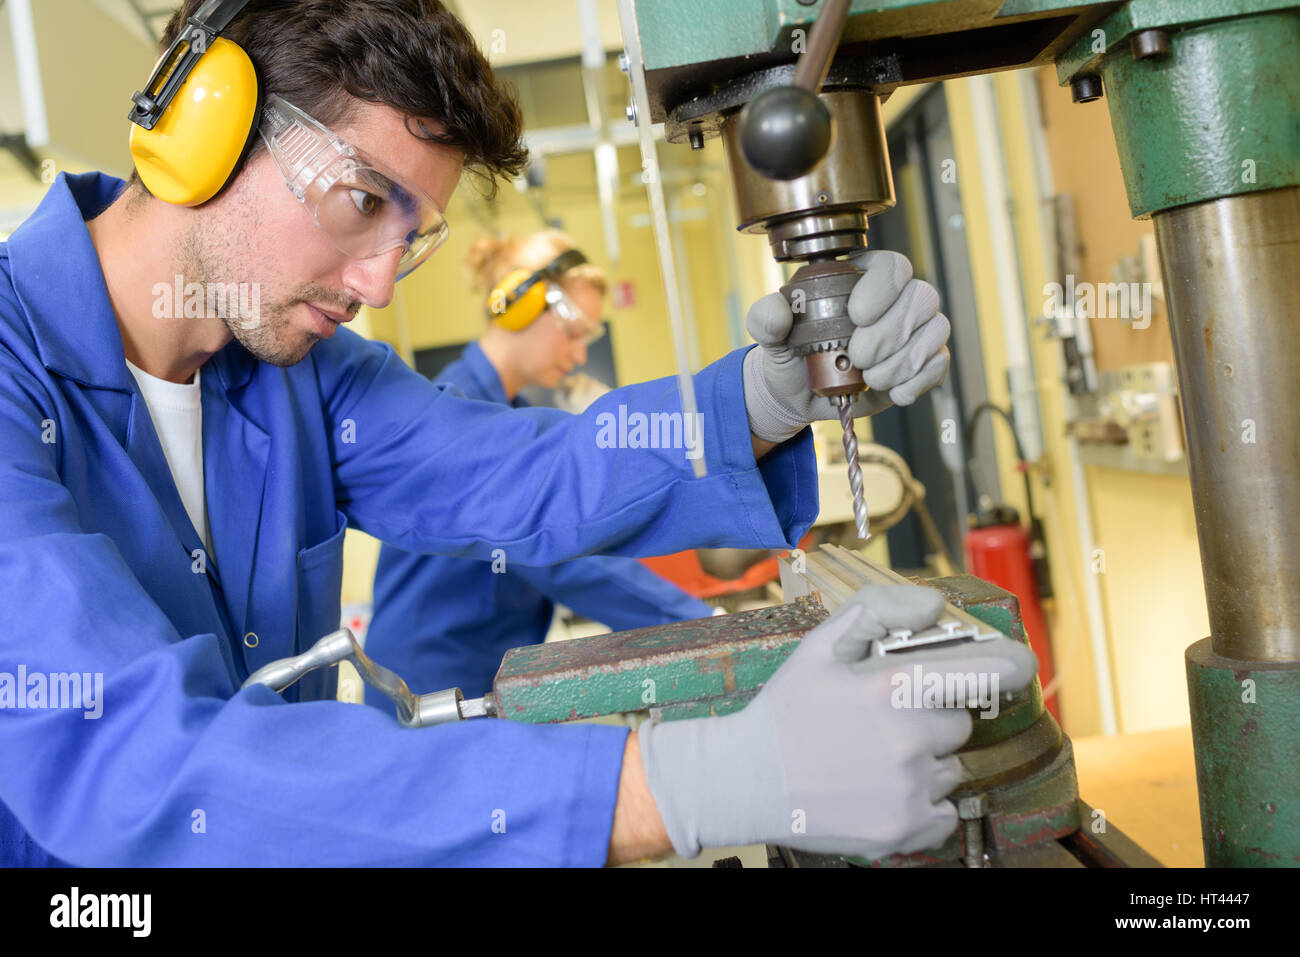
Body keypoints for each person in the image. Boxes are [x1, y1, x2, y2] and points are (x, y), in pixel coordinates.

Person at [0, 0, 1033, 867]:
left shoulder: (293, 374)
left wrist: (762, 401)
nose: (371, 286)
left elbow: (530, 474)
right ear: (202, 124)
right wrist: (690, 785)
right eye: (360, 201)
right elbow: (128, 759)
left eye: (406, 240)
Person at [363, 230, 715, 704]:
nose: (580, 354)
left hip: (472, 676)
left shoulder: (509, 410)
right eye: (573, 332)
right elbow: (561, 557)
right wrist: (703, 629)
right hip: (429, 686)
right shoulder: (461, 411)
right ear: (519, 307)